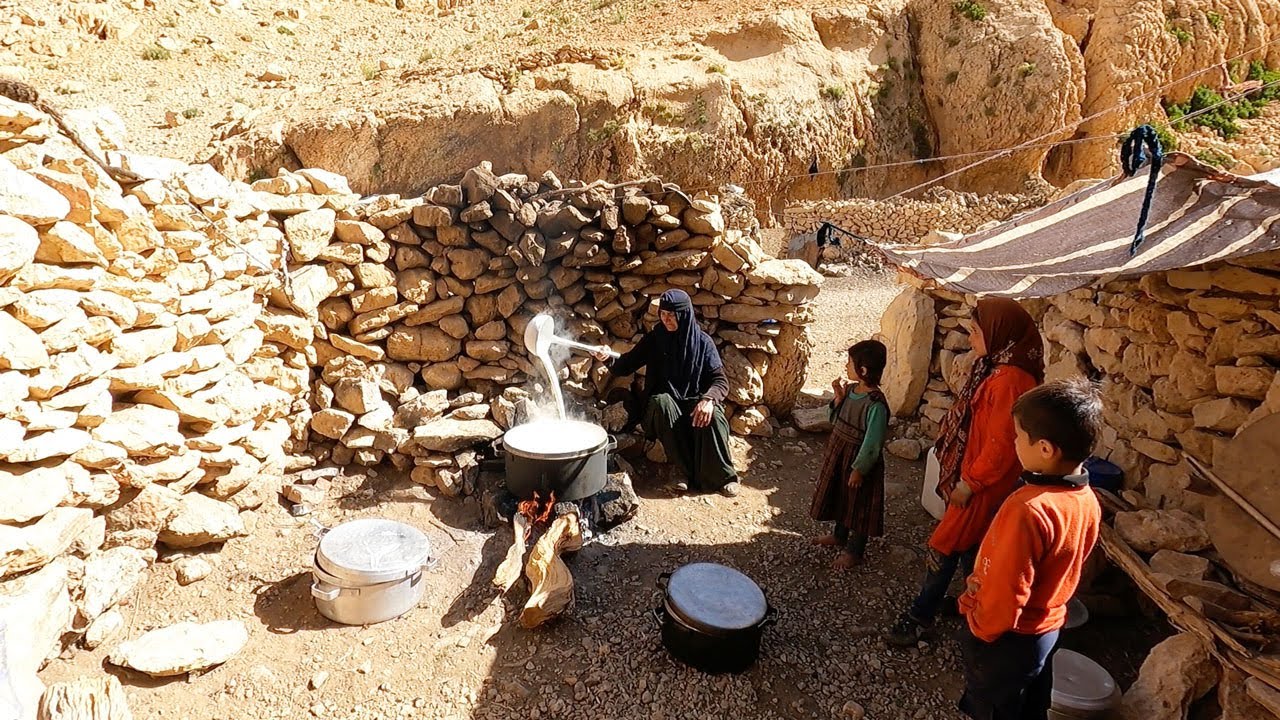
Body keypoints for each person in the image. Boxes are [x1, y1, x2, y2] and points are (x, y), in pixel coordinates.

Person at [885, 297, 1044, 647]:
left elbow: (1002, 445)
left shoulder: (1010, 382)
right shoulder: (996, 368)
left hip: (984, 484)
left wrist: (971, 483)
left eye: (975, 332)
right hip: (979, 477)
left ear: (1000, 335)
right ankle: (971, 603)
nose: (971, 340)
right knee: (974, 547)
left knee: (944, 544)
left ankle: (919, 618)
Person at [956, 378, 1103, 720]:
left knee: (996, 708)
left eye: (1019, 436)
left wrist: (980, 626)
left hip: (1007, 637)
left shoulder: (1029, 508)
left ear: (1046, 449)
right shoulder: (1086, 499)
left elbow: (1009, 591)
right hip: (1046, 630)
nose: (1014, 441)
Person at [594, 289, 741, 497]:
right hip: (667, 405)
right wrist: (607, 358)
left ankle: (723, 477)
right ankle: (682, 472)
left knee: (714, 417)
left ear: (685, 315)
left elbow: (720, 381)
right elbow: (626, 365)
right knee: (661, 403)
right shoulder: (655, 340)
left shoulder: (703, 343)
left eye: (672, 315)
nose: (666, 319)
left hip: (696, 402)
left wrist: (708, 400)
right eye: (663, 314)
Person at [809, 340, 890, 570]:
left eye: (850, 363)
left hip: (857, 461)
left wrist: (859, 469)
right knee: (841, 497)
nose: (846, 366)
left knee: (859, 506)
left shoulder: (876, 405)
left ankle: (854, 550)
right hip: (840, 455)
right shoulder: (852, 392)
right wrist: (838, 398)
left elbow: (872, 443)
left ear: (862, 371)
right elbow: (835, 418)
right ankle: (839, 535)